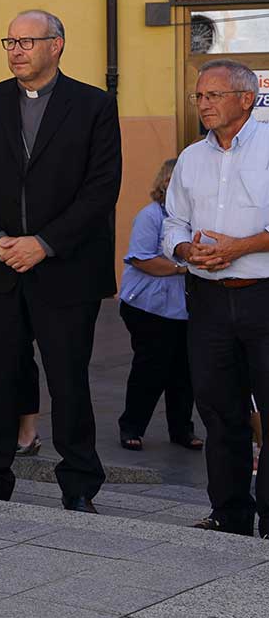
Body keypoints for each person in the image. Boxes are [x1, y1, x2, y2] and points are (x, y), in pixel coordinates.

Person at [0, 9, 120, 512]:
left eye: (27, 41)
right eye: (10, 41)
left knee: (69, 379)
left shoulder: (93, 105)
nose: (16, 50)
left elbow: (101, 187)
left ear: (57, 45)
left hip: (66, 269)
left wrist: (44, 243)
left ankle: (79, 485)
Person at [164, 60, 269, 536]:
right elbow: (173, 224)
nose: (203, 104)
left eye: (214, 95)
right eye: (199, 96)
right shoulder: (190, 158)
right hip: (206, 299)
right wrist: (187, 250)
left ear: (246, 99)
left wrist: (239, 247)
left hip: (263, 295)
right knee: (218, 409)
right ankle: (229, 514)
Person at [117, 159, 199, 453]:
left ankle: (181, 430)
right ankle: (131, 427)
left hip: (184, 309)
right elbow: (142, 259)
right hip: (148, 307)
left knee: (184, 371)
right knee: (151, 369)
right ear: (164, 184)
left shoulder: (195, 219)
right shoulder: (151, 216)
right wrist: (183, 268)